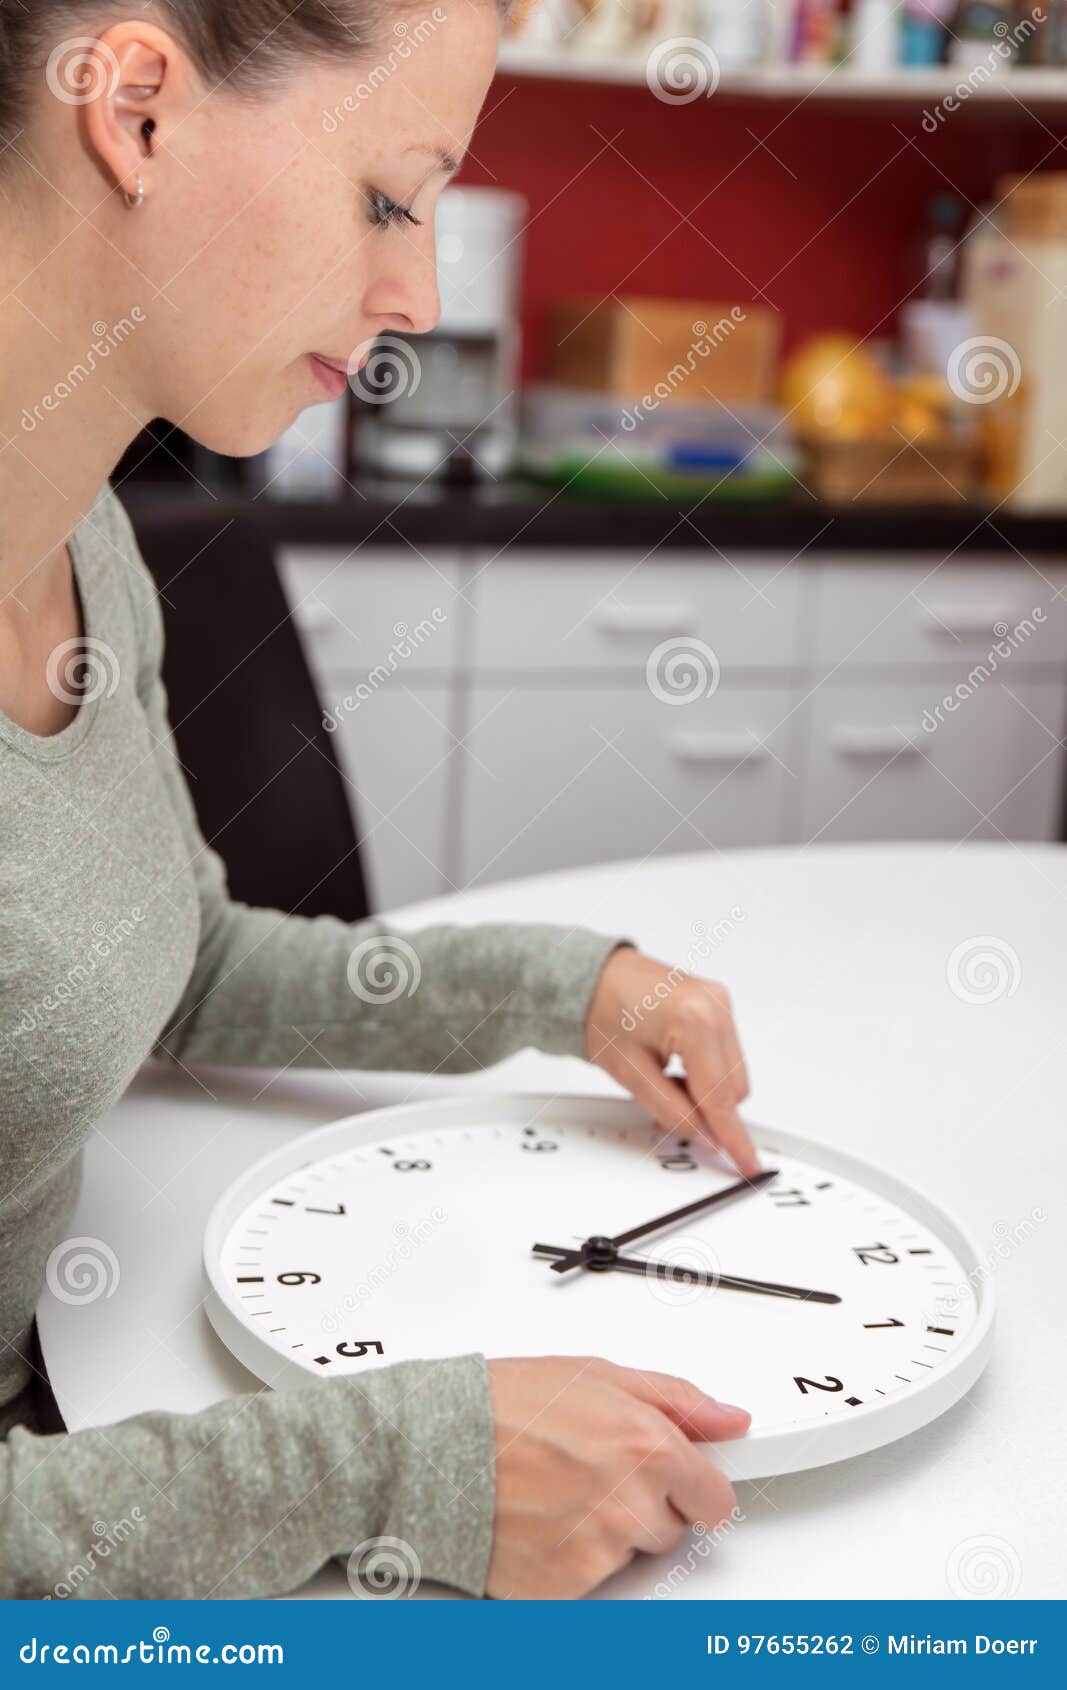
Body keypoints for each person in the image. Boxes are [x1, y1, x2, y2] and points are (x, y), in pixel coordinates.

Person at [0, 0, 756, 1600]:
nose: (414, 295)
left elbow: (174, 958)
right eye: (389, 197)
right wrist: (405, 1465)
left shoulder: (84, 548)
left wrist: (566, 987)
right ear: (135, 110)